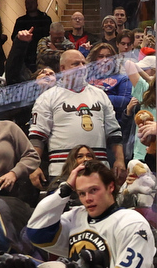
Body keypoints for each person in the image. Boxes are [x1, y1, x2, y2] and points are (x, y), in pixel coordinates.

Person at [24, 157, 155, 268]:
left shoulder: (132, 223)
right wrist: (66, 188)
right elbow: (36, 232)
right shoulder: (75, 217)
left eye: (93, 190)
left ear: (110, 187)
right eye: (81, 193)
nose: (87, 199)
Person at [29, 48, 124, 184]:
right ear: (63, 68)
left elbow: (114, 133)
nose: (81, 67)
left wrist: (120, 160)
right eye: (75, 64)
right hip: (61, 171)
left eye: (83, 63)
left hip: (98, 170)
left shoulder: (100, 95)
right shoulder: (47, 97)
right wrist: (34, 166)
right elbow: (37, 137)